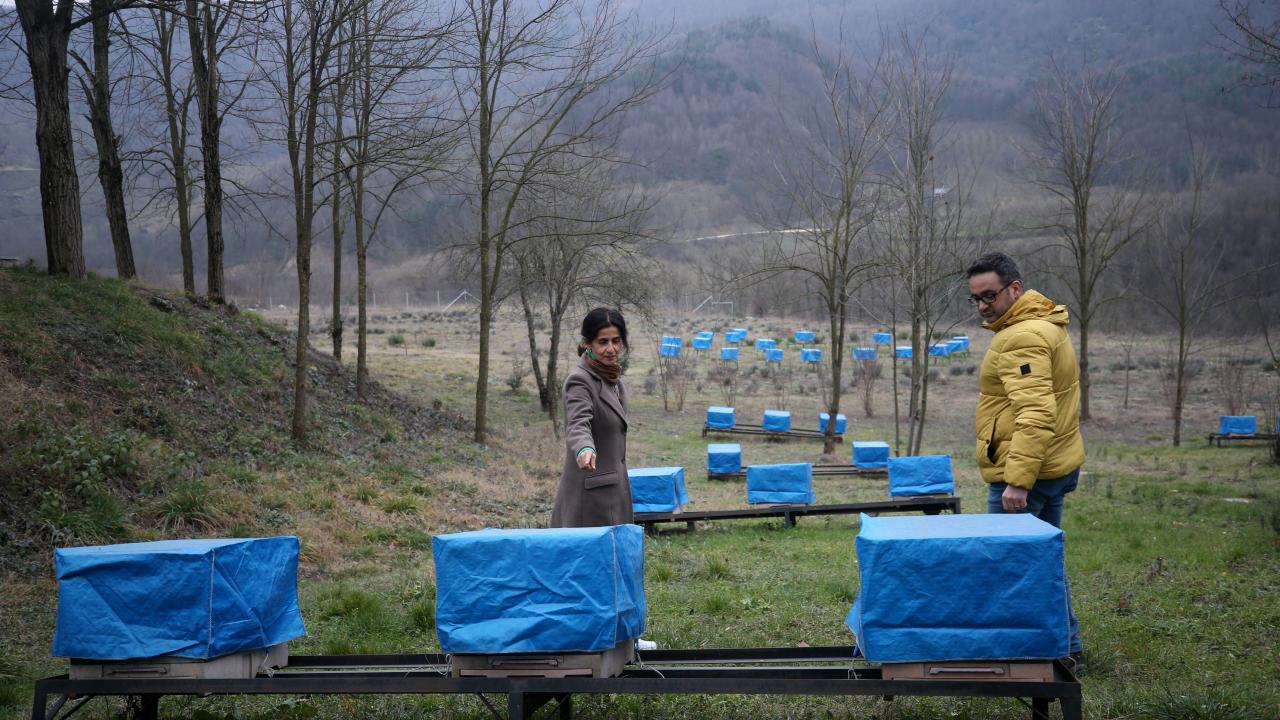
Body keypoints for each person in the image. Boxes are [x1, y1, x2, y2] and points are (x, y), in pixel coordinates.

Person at [966, 251, 1086, 672]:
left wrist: (1017, 480)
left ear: (1015, 289)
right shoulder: (1044, 324)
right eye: (976, 299)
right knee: (1044, 560)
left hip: (1026, 475)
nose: (983, 306)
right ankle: (1066, 647)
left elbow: (1036, 413)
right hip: (1051, 466)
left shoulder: (1022, 336)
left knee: (1007, 566)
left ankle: (1021, 654)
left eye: (990, 295)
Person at [551, 307, 632, 528]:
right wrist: (584, 448)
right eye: (602, 342)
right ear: (588, 343)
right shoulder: (580, 381)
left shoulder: (612, 379)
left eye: (616, 341)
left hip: (614, 493)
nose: (611, 349)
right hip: (590, 500)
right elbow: (578, 422)